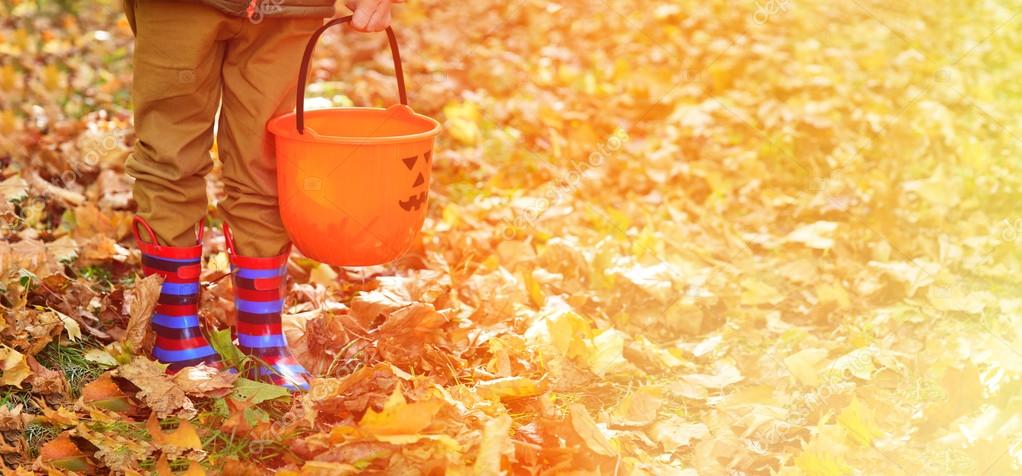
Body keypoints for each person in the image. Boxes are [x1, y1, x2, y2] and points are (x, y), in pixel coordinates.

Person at [124, 0, 399, 391]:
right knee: (170, 156)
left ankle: (261, 333)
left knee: (266, 160)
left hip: (289, 8)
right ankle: (174, 326)